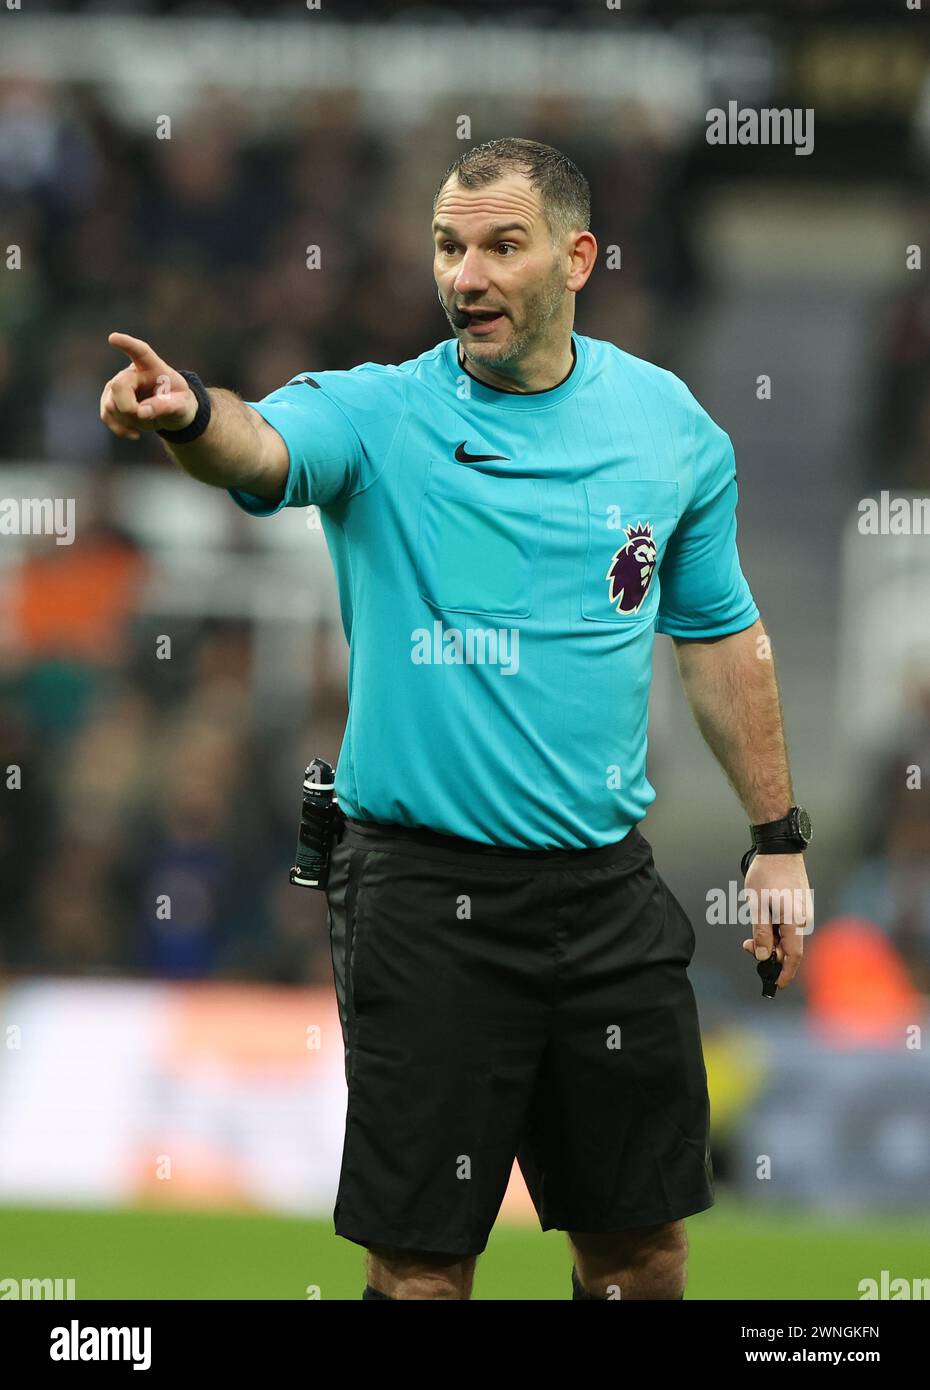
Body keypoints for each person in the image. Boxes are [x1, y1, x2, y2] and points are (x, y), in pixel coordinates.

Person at [100, 137, 812, 1301]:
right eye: (447, 246)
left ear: (577, 258)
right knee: (424, 1268)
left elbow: (722, 635)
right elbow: (262, 444)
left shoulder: (668, 426)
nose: (465, 275)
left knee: (641, 1255)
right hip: (426, 899)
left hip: (604, 899)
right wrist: (188, 415)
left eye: (499, 245)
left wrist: (777, 842)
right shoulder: (379, 415)